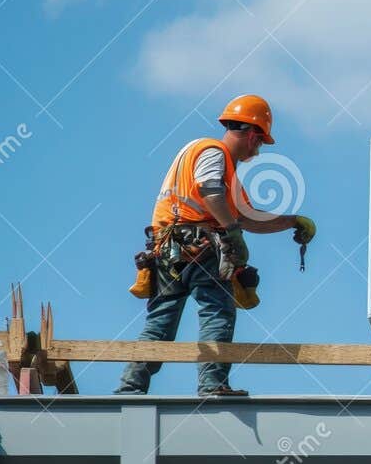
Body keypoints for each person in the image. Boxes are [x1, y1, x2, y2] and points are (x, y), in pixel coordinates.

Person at [117, 95, 316, 396]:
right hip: (199, 249)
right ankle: (213, 385)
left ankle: (130, 388)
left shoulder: (216, 167)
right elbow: (211, 193)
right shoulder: (214, 151)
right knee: (217, 312)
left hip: (167, 252)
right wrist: (232, 232)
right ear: (252, 135)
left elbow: (250, 218)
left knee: (160, 320)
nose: (258, 150)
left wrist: (292, 221)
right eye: (260, 142)